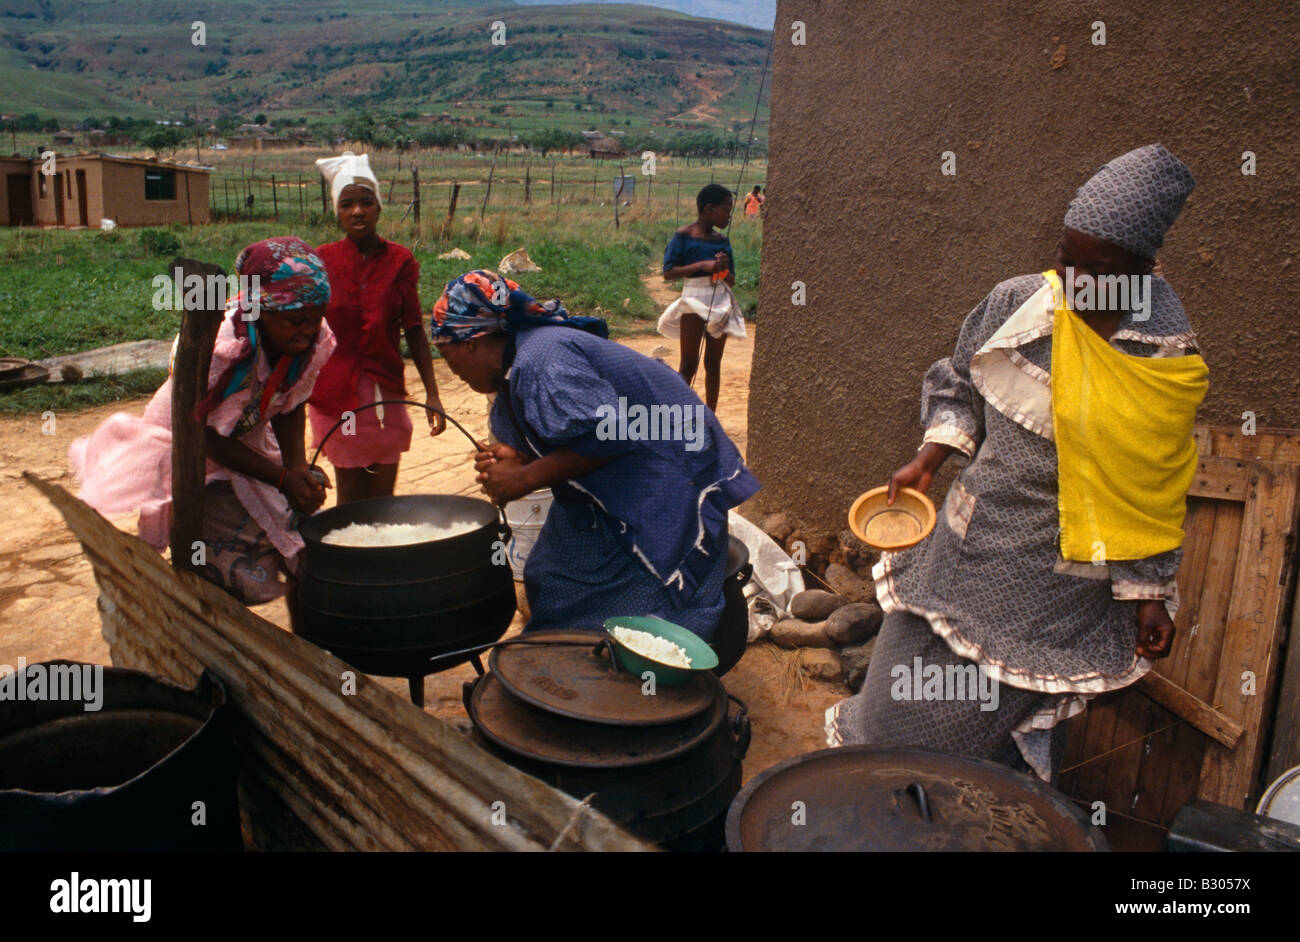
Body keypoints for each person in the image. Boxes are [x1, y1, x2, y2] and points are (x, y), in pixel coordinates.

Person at [826, 144, 1210, 783]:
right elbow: (960, 382)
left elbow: (1152, 487)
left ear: (1145, 269)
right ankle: (882, 793)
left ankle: (966, 818)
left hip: (1057, 587)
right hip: (966, 549)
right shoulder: (1020, 305)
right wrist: (931, 457)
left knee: (988, 736)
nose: (1076, 280)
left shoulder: (1160, 356)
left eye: (1101, 267)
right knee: (900, 696)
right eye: (1067, 257)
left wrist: (1146, 594)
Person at [430, 270, 759, 638]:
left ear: (472, 342)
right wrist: (518, 457)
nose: (451, 370)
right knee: (551, 575)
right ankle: (570, 655)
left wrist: (525, 477)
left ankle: (644, 675)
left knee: (644, 606)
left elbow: (613, 434)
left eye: (447, 354)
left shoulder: (541, 359)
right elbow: (565, 433)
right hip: (616, 472)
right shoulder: (517, 367)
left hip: (673, 469)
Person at [70, 238, 336, 614]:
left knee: (302, 539)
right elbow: (203, 437)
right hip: (189, 444)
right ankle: (191, 634)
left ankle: (309, 649)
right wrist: (280, 478)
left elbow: (290, 401)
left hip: (246, 435)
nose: (309, 331)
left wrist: (295, 467)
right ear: (261, 308)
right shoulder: (222, 353)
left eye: (316, 318)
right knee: (210, 566)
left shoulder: (309, 336)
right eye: (296, 321)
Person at [308, 152, 444, 505]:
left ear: (379, 207)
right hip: (336, 396)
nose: (357, 212)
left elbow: (413, 328)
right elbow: (305, 328)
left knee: (384, 501)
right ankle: (352, 558)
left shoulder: (400, 261)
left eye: (366, 202)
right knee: (350, 501)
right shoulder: (321, 260)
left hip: (386, 395)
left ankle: (382, 558)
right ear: (336, 211)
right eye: (347, 204)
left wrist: (432, 393)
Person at [657, 183, 745, 412]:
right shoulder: (683, 236)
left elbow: (731, 280)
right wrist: (703, 265)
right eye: (725, 209)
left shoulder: (722, 241)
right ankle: (678, 416)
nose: (729, 215)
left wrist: (723, 269)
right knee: (688, 364)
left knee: (713, 365)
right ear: (709, 209)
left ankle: (711, 417)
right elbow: (668, 272)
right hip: (693, 299)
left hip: (720, 301)